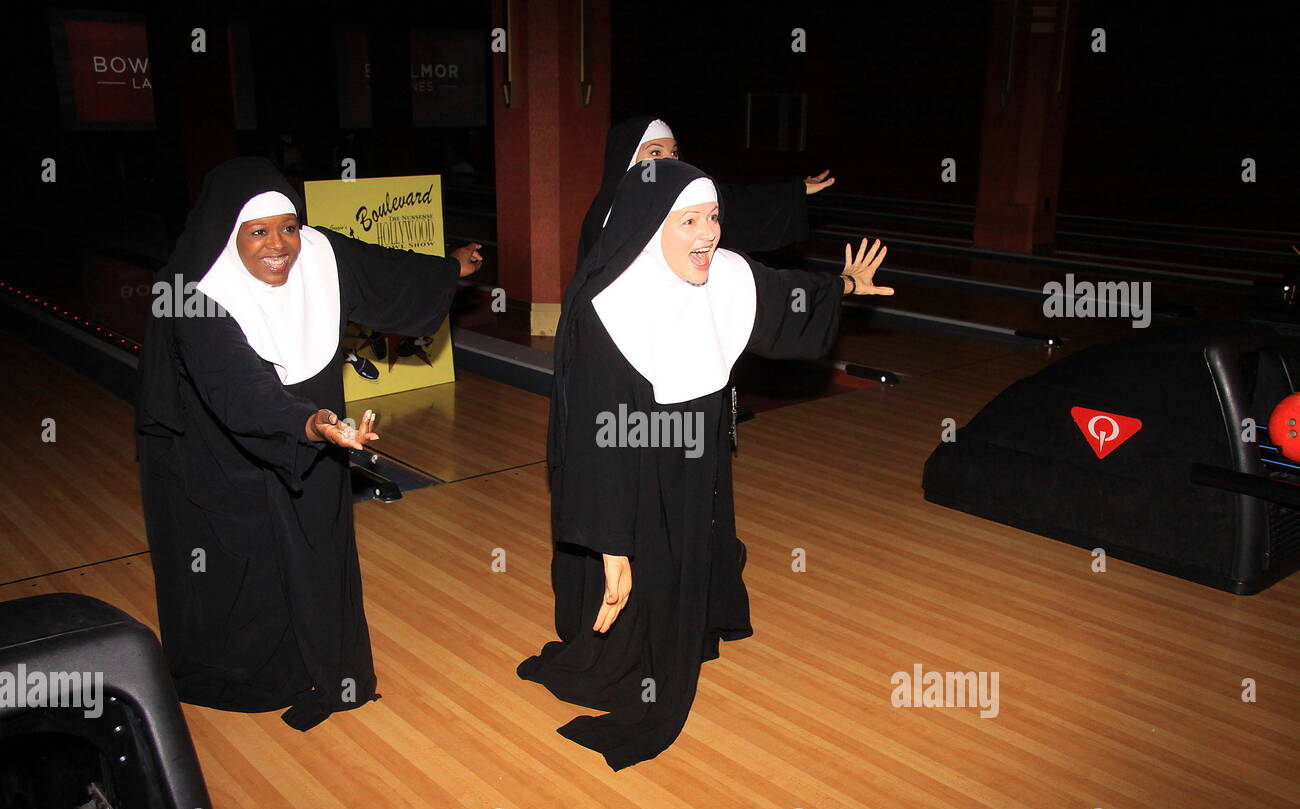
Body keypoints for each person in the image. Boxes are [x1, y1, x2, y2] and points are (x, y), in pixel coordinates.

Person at [519, 160, 892, 770]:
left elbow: (784, 299)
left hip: (698, 451)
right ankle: (635, 666)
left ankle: (678, 639)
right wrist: (613, 544)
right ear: (650, 228)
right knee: (649, 569)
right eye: (688, 219)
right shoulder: (607, 310)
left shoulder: (726, 277)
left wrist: (845, 286)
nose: (708, 232)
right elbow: (592, 441)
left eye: (713, 216)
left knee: (687, 561)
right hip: (634, 458)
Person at [135, 157, 484, 731]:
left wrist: (445, 269)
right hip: (222, 455)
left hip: (316, 434)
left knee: (317, 546)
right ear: (231, 236)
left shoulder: (318, 254)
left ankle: (327, 659)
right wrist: (309, 424)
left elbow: (382, 272)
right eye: (259, 232)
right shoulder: (193, 297)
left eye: (288, 227)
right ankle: (249, 672)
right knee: (246, 562)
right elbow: (237, 391)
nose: (280, 245)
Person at [575, 115, 835, 265]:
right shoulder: (607, 216)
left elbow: (738, 204)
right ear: (630, 159)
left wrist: (793, 191)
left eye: (673, 153)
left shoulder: (683, 200)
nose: (667, 161)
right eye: (655, 152)